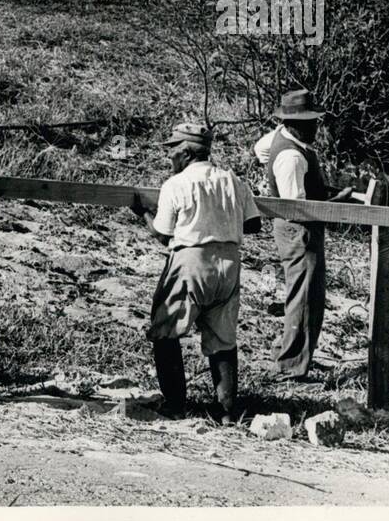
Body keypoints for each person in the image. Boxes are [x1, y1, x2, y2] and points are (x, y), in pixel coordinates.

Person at [132, 123, 261, 423]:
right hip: (229, 265)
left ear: (188, 153)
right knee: (223, 339)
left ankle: (175, 405)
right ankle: (227, 413)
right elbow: (254, 224)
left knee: (165, 331)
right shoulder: (232, 180)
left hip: (191, 261)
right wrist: (220, 219)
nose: (171, 158)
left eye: (174, 152)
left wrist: (143, 213)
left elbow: (163, 234)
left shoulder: (176, 184)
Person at [253, 89, 353, 382]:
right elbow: (297, 208)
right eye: (309, 123)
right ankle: (291, 366)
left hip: (298, 227)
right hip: (299, 229)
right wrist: (339, 201)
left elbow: (260, 150)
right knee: (306, 297)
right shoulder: (292, 158)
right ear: (292, 123)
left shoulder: (279, 139)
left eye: (316, 121)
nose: (315, 128)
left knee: (303, 293)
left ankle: (291, 354)